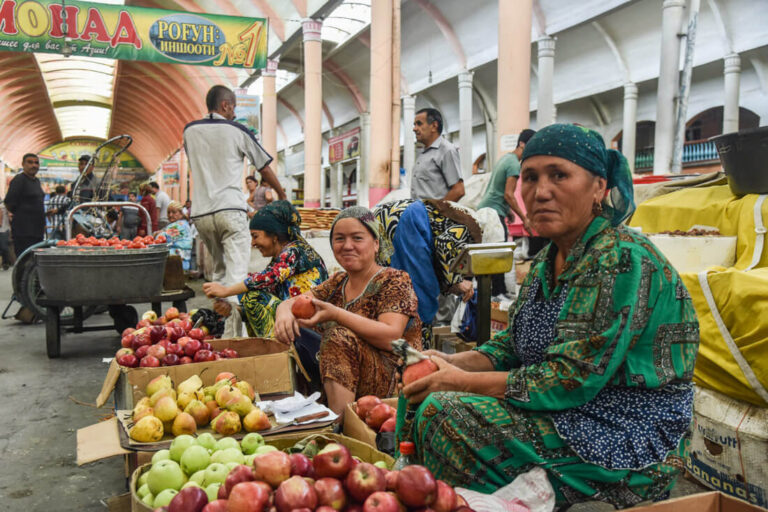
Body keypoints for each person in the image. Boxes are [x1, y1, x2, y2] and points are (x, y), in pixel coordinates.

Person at [398, 124, 699, 509]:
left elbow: (571, 378)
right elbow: (513, 345)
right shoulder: (546, 261)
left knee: (446, 414)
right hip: (570, 406)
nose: (540, 192)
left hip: (623, 426)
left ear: (598, 187)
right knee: (419, 391)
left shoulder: (620, 259)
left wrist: (462, 383)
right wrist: (451, 363)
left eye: (559, 175)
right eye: (530, 177)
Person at [274, 207, 422, 415]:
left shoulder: (394, 280)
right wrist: (283, 311)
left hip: (398, 378)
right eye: (339, 239)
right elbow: (293, 302)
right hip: (354, 378)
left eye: (357, 238)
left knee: (338, 336)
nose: (347, 246)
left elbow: (392, 338)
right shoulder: (338, 282)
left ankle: (340, 423)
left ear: (376, 244)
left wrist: (336, 314)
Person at [184, 85, 287, 338]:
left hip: (201, 213)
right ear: (225, 105)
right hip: (230, 210)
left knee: (219, 273)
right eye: (233, 108)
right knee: (237, 276)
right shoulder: (236, 130)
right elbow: (263, 166)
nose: (234, 113)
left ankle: (219, 332)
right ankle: (235, 337)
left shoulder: (189, 130)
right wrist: (282, 195)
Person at [373, 199, 489, 349]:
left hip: (388, 217)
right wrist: (455, 282)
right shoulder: (470, 229)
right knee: (418, 292)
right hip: (408, 222)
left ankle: (390, 337)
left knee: (391, 283)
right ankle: (418, 346)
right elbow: (444, 245)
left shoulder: (462, 216)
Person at [203, 201, 327, 338]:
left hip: (309, 328)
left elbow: (267, 278)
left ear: (274, 236)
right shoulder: (282, 258)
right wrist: (233, 310)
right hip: (294, 321)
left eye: (255, 236)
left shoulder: (295, 251)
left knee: (253, 295)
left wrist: (226, 291)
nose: (253, 243)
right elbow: (263, 302)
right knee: (248, 296)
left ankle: (274, 347)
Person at [478, 128, 536, 297]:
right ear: (522, 144)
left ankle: (499, 290)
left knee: (496, 251)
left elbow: (499, 190)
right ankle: (497, 293)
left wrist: (508, 211)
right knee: (499, 253)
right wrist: (524, 218)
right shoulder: (514, 165)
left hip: (489, 209)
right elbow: (508, 195)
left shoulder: (506, 158)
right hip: (493, 212)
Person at [411, 108, 464, 202]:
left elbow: (458, 191)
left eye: (419, 124)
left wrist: (437, 210)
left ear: (434, 126)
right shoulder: (424, 153)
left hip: (432, 211)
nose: (414, 129)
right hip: (418, 209)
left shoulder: (447, 150)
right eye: (414, 125)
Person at [5, 153, 45, 257]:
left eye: (36, 163)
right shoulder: (19, 180)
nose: (34, 165)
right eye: (30, 162)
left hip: (37, 231)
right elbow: (9, 202)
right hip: (24, 231)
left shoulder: (36, 181)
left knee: (34, 260)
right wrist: (23, 214)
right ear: (23, 164)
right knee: (25, 260)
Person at [157, 201, 194, 270]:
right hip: (182, 263)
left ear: (181, 213)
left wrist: (157, 233)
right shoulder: (184, 223)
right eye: (168, 212)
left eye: (174, 212)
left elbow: (159, 238)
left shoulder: (178, 226)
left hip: (177, 264)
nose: (170, 215)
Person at [0, 199, 12, 269]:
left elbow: (10, 217)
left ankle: (6, 262)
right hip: (3, 229)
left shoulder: (4, 206)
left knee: (4, 247)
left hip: (4, 229)